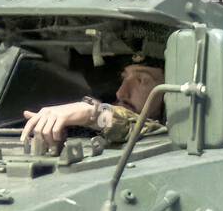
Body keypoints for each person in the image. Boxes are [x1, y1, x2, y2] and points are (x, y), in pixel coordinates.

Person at [21, 60, 166, 152]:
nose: (121, 93)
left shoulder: (175, 132)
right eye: (124, 78)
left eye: (141, 80)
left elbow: (146, 128)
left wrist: (93, 114)